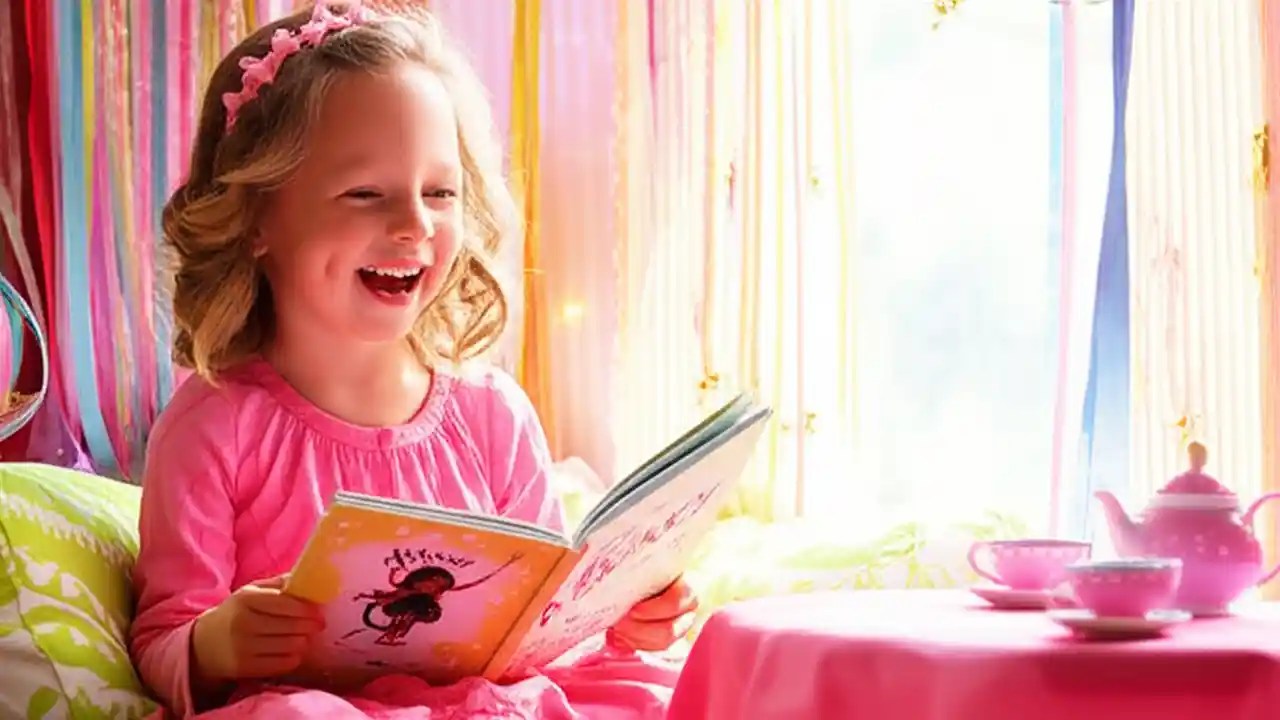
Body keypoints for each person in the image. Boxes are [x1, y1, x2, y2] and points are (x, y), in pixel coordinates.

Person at [127, 2, 697, 717]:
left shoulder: (492, 413)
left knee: (683, 681)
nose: (415, 225)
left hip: (498, 704)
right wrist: (215, 643)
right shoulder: (215, 426)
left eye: (440, 193)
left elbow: (545, 622)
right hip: (321, 709)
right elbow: (160, 639)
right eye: (366, 193)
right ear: (255, 219)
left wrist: (618, 618)